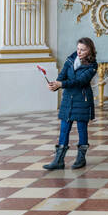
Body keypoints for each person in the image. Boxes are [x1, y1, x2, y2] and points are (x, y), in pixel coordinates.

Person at [43, 37, 98, 170]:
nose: (79, 52)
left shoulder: (93, 65)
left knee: (81, 129)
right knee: (64, 129)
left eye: (83, 50)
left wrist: (61, 84)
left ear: (90, 50)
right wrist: (54, 85)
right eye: (78, 48)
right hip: (68, 99)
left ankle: (81, 158)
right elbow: (62, 76)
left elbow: (80, 82)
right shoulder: (70, 60)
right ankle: (59, 160)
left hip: (82, 100)